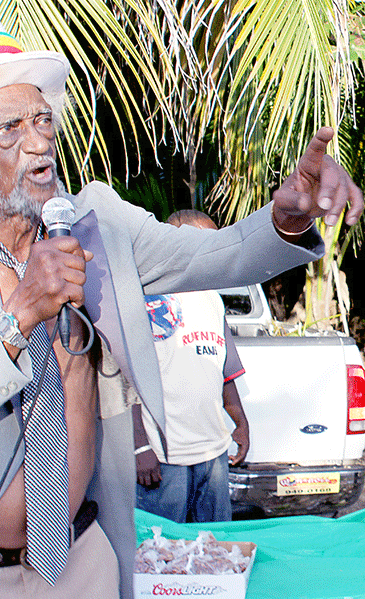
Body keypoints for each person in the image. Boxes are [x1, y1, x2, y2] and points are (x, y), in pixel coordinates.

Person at [0, 10, 362, 599]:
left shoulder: (94, 223)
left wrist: (287, 218)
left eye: (43, 119)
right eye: (10, 127)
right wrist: (19, 318)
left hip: (80, 561)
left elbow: (213, 256)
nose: (40, 141)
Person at [132, 210, 250, 523]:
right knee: (162, 555)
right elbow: (123, 380)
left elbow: (223, 368)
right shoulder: (146, 294)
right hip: (164, 457)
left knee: (214, 550)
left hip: (213, 455)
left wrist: (240, 422)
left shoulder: (213, 297)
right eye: (206, 242)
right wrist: (139, 448)